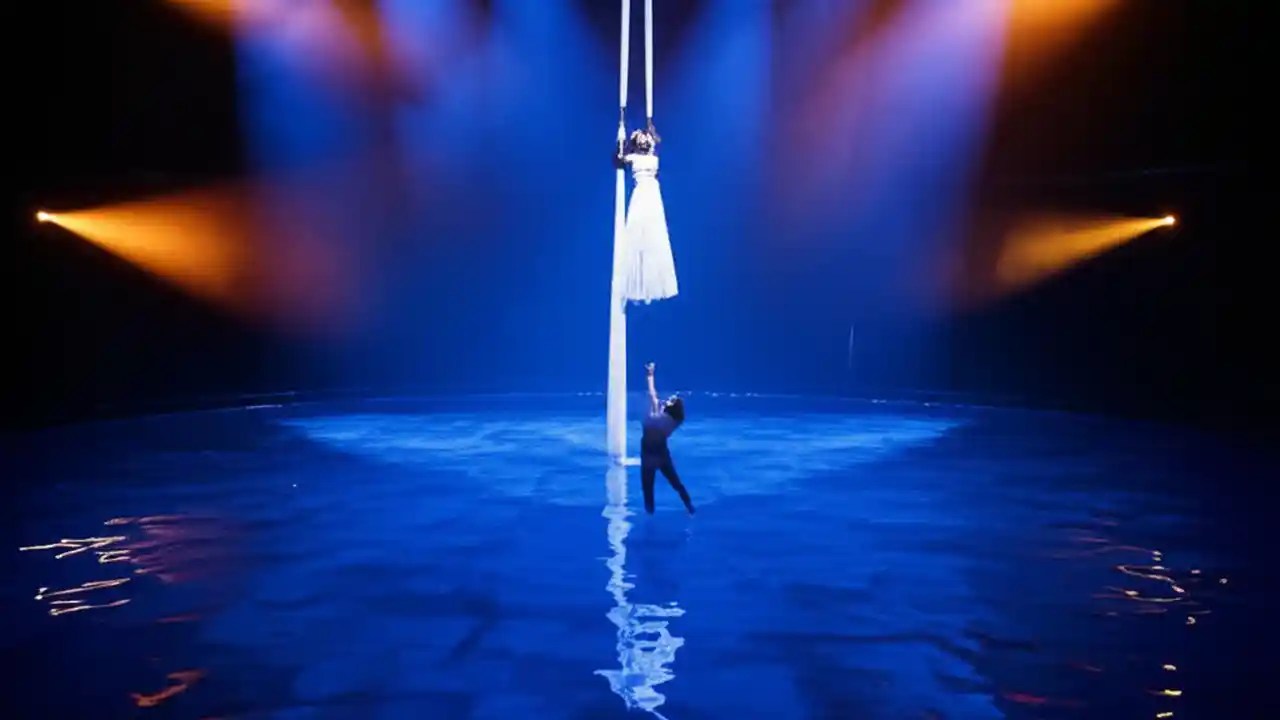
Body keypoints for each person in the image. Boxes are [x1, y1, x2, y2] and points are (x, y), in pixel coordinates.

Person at [614, 126, 678, 304]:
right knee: (638, 230)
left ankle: (651, 276)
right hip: (642, 191)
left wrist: (650, 129)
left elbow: (656, 140)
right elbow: (620, 158)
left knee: (653, 232)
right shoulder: (635, 157)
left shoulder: (652, 157)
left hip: (651, 192)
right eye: (641, 140)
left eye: (645, 139)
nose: (644, 141)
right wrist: (622, 142)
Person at [639, 361, 694, 515]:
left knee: (648, 490)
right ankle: (690, 509)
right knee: (676, 484)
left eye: (671, 400)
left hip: (649, 454)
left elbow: (652, 393)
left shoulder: (657, 413)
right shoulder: (674, 421)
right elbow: (653, 394)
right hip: (661, 454)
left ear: (671, 407)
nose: (668, 399)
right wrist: (650, 376)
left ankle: (650, 515)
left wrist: (650, 375)